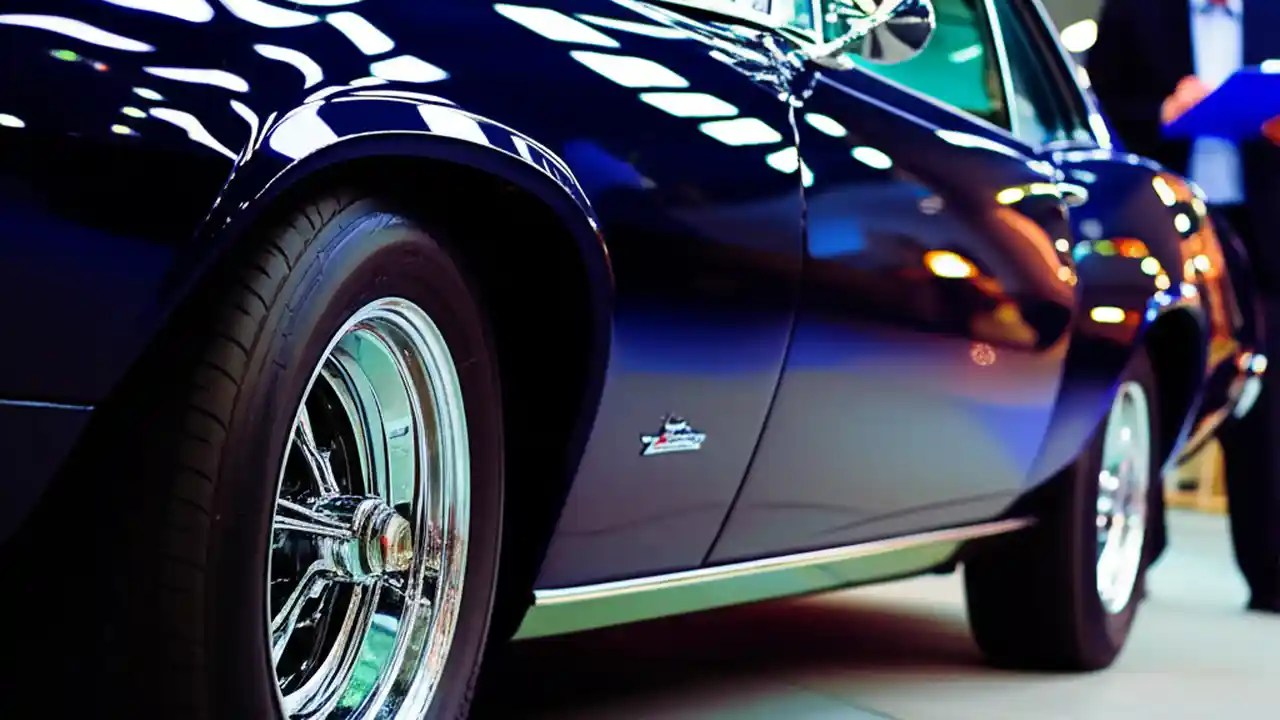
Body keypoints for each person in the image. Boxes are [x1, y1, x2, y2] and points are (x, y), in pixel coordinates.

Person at [1088, 0, 1280, 614]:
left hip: (1264, 231)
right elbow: (1098, 112)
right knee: (1158, 376)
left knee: (1266, 401)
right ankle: (1137, 550)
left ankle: (1272, 568)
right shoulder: (1133, 11)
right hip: (1165, 231)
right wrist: (1162, 115)